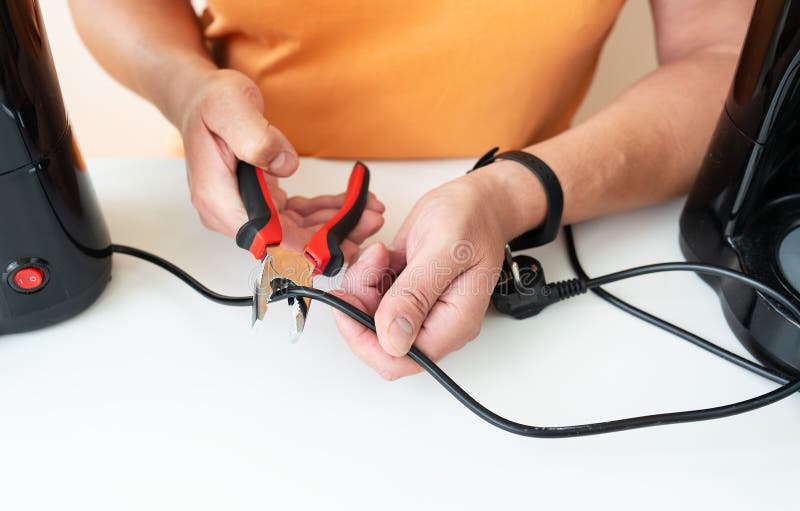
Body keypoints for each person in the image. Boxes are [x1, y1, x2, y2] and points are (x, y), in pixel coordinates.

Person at [70, 0, 754, 380]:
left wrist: (509, 195)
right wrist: (187, 90)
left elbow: (725, 60)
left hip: (557, 190)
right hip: (230, 198)